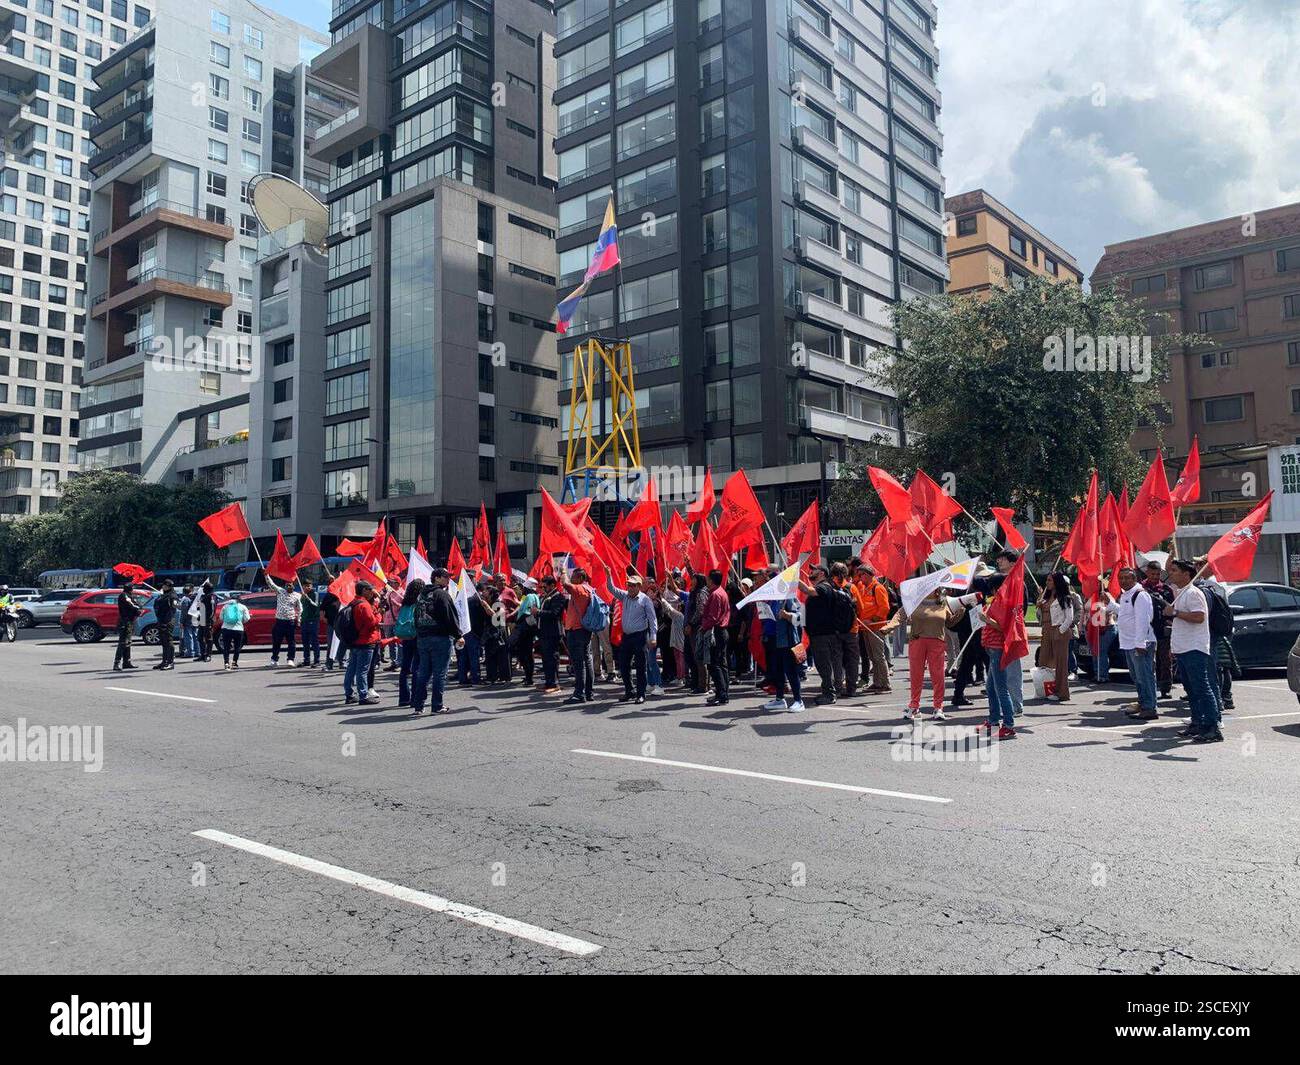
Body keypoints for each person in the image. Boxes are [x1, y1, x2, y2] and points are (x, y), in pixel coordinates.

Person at [1165, 558, 1223, 743]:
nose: (1171, 573)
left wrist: (1174, 613)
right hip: (1183, 647)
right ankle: (1198, 723)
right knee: (1191, 689)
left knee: (1202, 687)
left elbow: (1199, 617)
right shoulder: (1181, 593)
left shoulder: (1193, 593)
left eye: (1174, 570)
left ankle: (1212, 727)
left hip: (1194, 648)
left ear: (1186, 574)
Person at [410, 570, 463, 715]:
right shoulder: (441, 594)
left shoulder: (421, 595)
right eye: (446, 577)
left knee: (423, 673)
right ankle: (437, 705)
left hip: (423, 638)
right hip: (440, 638)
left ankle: (418, 706)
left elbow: (416, 615)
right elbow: (449, 616)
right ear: (437, 578)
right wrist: (458, 635)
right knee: (439, 673)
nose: (448, 580)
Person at [1109, 567, 1157, 720]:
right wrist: (1110, 605)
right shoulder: (1126, 595)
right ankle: (1144, 703)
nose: (1123, 581)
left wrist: (1140, 643)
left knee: (1144, 676)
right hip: (1129, 642)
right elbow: (1125, 613)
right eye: (1121, 578)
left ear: (1134, 578)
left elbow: (1143, 620)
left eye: (1127, 578)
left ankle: (1150, 707)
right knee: (1137, 677)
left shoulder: (1140, 595)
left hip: (1140, 643)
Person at [903, 589, 957, 720]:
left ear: (937, 590)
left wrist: (961, 611)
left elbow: (951, 622)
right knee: (916, 675)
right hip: (917, 640)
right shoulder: (914, 602)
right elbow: (900, 615)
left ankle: (938, 707)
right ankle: (914, 706)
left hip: (937, 641)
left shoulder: (943, 603)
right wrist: (888, 627)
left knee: (938, 675)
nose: (929, 590)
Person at [802, 563, 847, 704]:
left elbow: (809, 591)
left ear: (821, 573)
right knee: (825, 664)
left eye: (814, 569)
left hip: (823, 634)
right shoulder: (825, 586)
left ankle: (829, 694)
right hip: (822, 633)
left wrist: (793, 578)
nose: (811, 572)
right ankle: (828, 691)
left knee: (824, 665)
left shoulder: (823, 587)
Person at [609, 571, 656, 704]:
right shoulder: (625, 596)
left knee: (641, 666)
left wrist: (653, 636)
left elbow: (652, 619)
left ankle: (641, 694)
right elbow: (611, 588)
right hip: (626, 637)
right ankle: (629, 690)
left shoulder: (645, 600)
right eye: (629, 585)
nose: (630, 587)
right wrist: (609, 575)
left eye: (633, 585)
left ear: (639, 587)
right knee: (623, 665)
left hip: (640, 636)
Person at [760, 589, 806, 714]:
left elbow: (800, 616)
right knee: (777, 671)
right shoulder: (770, 598)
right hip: (773, 639)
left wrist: (787, 615)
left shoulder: (788, 597)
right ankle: (780, 699)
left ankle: (798, 700)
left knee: (791, 671)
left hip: (786, 641)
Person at [854, 563, 893, 694]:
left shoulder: (878, 588)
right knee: (873, 657)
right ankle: (877, 682)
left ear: (868, 574)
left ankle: (885, 683)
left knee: (878, 656)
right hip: (866, 628)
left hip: (875, 628)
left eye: (861, 575)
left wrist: (872, 620)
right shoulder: (866, 588)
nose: (859, 578)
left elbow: (885, 608)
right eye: (859, 575)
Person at [560, 567, 597, 704]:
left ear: (581, 578)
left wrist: (563, 573)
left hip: (576, 630)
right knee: (587, 660)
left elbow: (565, 584)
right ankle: (589, 692)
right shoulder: (590, 589)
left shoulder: (581, 588)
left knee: (579, 663)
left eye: (574, 577)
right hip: (584, 629)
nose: (572, 579)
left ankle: (579, 694)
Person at [342, 581, 382, 705]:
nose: (372, 592)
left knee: (351, 669)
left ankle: (349, 694)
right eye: (370, 590)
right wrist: (379, 615)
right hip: (366, 640)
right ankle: (363, 696)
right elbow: (372, 622)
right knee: (363, 670)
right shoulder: (364, 605)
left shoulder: (354, 602)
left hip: (355, 640)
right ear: (364, 590)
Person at [1037, 572, 1074, 703]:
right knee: (1044, 660)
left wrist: (1060, 630)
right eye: (1047, 580)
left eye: (1050, 580)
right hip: (1046, 630)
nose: (1047, 583)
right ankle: (1045, 688)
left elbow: (1069, 617)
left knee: (1060, 663)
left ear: (1056, 582)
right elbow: (1039, 616)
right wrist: (1039, 606)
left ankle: (1061, 692)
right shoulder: (1045, 597)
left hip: (1058, 630)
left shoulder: (1065, 597)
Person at [1141, 561, 1175, 698]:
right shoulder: (1140, 588)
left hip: (1162, 629)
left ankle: (1165, 688)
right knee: (1148, 661)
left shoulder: (1166, 589)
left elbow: (1172, 607)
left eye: (1157, 574)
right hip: (1146, 629)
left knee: (1165, 660)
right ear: (1147, 572)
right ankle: (1149, 688)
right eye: (1152, 573)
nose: (1155, 576)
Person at [699, 569, 732, 706]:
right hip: (721, 631)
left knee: (715, 664)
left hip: (716, 631)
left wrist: (704, 626)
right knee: (721, 664)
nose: (706, 580)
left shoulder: (715, 595)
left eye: (707, 578)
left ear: (712, 580)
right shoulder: (721, 592)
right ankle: (722, 693)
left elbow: (713, 617)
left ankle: (721, 694)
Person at [395, 578, 423, 707]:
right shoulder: (420, 603)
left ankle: (403, 698)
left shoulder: (405, 603)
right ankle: (415, 698)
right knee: (417, 668)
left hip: (406, 637)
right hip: (417, 636)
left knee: (405, 669)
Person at [537, 575, 568, 694]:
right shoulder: (546, 596)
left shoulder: (559, 597)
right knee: (546, 658)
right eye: (542, 586)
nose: (543, 588)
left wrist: (539, 612)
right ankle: (548, 682)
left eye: (545, 586)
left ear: (552, 585)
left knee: (552, 658)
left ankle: (555, 683)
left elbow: (554, 613)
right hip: (544, 631)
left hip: (553, 632)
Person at [265, 575, 301, 667]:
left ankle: (290, 659)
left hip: (290, 622)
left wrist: (299, 619)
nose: (289, 586)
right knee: (277, 641)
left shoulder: (297, 596)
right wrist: (266, 575)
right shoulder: (280, 592)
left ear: (294, 586)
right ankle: (274, 659)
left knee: (291, 641)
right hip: (280, 621)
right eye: (287, 585)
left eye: (290, 585)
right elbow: (271, 584)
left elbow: (300, 609)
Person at [511, 579, 540, 687]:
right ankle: (529, 677)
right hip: (531, 628)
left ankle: (529, 678)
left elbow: (526, 613)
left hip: (525, 629)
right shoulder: (536, 596)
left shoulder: (529, 597)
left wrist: (517, 621)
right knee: (528, 653)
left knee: (524, 654)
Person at [112, 582, 142, 671]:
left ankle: (127, 662)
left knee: (128, 642)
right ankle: (116, 663)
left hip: (129, 621)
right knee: (122, 643)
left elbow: (136, 604)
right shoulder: (124, 596)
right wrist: (137, 610)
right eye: (132, 588)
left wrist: (138, 607)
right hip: (125, 622)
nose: (133, 590)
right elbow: (131, 606)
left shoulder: (129, 596)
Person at [218, 595, 251, 669]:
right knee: (237, 647)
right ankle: (234, 663)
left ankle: (226, 663)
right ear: (238, 599)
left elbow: (221, 618)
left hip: (226, 629)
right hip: (238, 629)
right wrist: (240, 621)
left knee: (226, 647)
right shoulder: (242, 607)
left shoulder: (225, 606)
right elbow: (246, 619)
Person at [152, 579, 177, 670]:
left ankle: (170, 662)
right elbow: (157, 606)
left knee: (169, 641)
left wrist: (165, 622)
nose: (163, 587)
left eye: (165, 586)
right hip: (161, 620)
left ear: (169, 586)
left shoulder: (172, 596)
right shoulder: (163, 595)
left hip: (168, 621)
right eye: (163, 585)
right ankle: (164, 661)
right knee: (164, 642)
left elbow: (171, 610)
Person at [382, 576, 403, 670]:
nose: (391, 584)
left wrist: (395, 603)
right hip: (388, 621)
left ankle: (400, 662)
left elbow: (404, 606)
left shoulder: (402, 592)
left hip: (398, 621)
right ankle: (393, 662)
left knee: (399, 642)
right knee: (391, 643)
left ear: (398, 583)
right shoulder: (389, 593)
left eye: (393, 582)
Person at [298, 585, 322, 668]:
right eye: (305, 586)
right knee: (305, 642)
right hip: (304, 620)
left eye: (308, 586)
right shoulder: (302, 595)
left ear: (311, 586)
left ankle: (317, 660)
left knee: (314, 641)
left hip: (313, 620)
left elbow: (316, 605)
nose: (306, 588)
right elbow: (301, 607)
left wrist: (307, 598)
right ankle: (306, 660)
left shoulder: (315, 594)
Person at [319, 590, 342, 671]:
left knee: (342, 644)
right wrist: (323, 618)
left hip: (342, 624)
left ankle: (342, 662)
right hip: (331, 624)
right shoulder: (328, 596)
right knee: (331, 644)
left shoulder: (344, 594)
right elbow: (322, 608)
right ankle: (329, 663)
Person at [178, 583, 196, 658]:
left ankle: (190, 652)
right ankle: (197, 651)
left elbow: (184, 613)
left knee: (188, 636)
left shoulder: (185, 599)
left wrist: (181, 622)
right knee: (195, 636)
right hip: (195, 619)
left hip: (187, 620)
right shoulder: (195, 598)